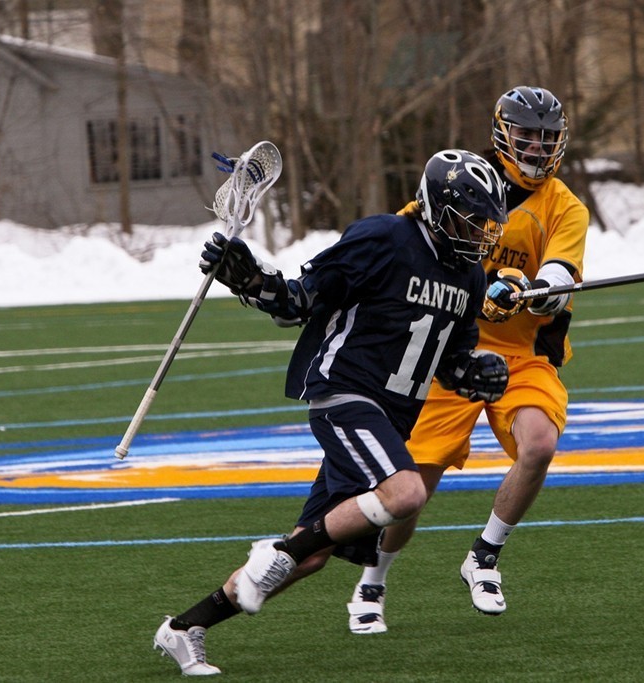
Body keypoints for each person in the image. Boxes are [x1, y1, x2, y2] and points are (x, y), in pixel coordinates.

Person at [153, 149, 511, 676]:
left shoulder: (470, 277)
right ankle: (272, 550)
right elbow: (301, 302)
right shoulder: (385, 238)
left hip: (390, 418)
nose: (481, 231)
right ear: (438, 206)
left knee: (313, 554)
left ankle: (185, 628)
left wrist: (473, 375)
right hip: (344, 392)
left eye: (487, 221)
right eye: (471, 217)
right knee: (406, 493)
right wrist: (252, 281)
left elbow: (449, 361)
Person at [341, 85, 590, 633]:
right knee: (410, 490)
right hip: (452, 351)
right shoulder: (463, 184)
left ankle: (484, 556)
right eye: (528, 135)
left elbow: (560, 271)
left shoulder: (564, 206)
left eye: (548, 138)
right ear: (503, 132)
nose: (538, 147)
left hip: (523, 357)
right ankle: (373, 580)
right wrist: (485, 289)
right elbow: (416, 245)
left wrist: (538, 289)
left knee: (540, 443)